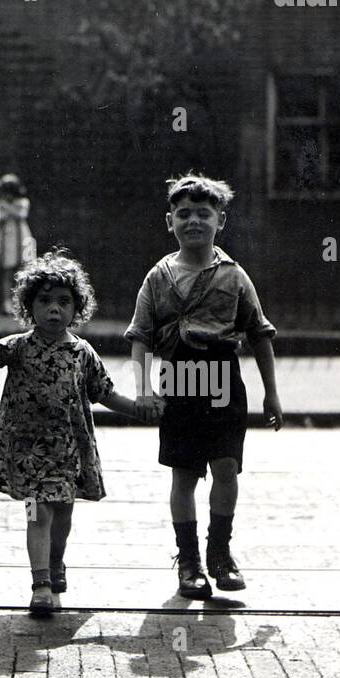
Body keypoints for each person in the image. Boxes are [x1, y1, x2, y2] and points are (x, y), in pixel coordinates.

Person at [0, 249, 140, 615]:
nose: (54, 310)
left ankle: (56, 562)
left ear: (76, 309)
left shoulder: (82, 353)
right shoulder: (19, 347)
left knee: (62, 515)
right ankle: (41, 583)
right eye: (44, 301)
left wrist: (139, 408)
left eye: (63, 302)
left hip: (68, 450)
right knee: (38, 515)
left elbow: (105, 393)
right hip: (27, 451)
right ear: (28, 306)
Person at [126, 173, 283, 599]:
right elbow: (141, 336)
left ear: (221, 221)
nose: (193, 221)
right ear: (169, 221)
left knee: (227, 467)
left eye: (203, 213)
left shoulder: (233, 275)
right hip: (177, 378)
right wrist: (143, 390)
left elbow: (259, 333)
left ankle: (220, 554)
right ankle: (190, 562)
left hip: (222, 378)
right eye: (184, 214)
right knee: (185, 473)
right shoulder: (158, 277)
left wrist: (271, 392)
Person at [0, 173, 36, 314]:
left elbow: (20, 213)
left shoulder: (22, 202)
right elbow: (0, 214)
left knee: (24, 269)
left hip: (21, 237)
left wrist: (7, 207)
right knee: (7, 271)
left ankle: (23, 302)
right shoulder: (0, 203)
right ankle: (6, 304)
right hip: (6, 238)